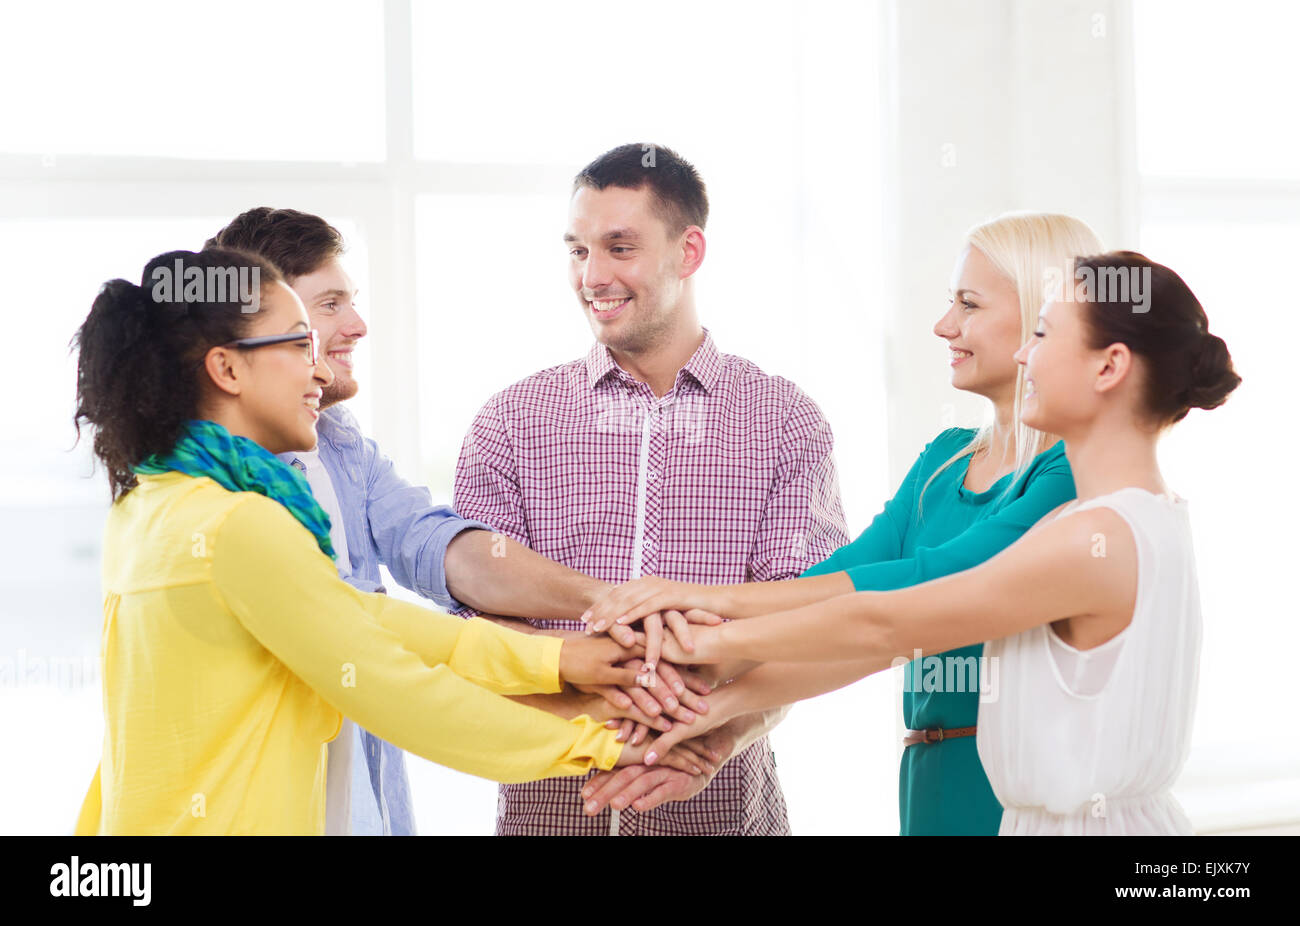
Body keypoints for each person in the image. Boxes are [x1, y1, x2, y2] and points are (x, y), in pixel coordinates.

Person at [593, 251, 1240, 836]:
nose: (1022, 356)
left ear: (1110, 366)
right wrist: (718, 700)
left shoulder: (1091, 537)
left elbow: (888, 621)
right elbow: (880, 607)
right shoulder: (1144, 518)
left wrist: (697, 640)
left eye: (1042, 335)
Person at [70, 248, 709, 835]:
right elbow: (391, 687)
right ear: (227, 368)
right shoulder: (238, 526)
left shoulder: (150, 506)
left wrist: (557, 661)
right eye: (299, 344)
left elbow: (358, 618)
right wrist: (602, 741)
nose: (320, 367)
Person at [453, 143, 851, 835]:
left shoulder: (784, 421)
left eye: (619, 247)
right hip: (551, 816)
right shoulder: (510, 422)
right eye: (577, 251)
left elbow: (805, 627)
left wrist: (717, 732)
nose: (592, 275)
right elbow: (470, 624)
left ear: (688, 251)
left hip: (723, 815)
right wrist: (587, 691)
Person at [204, 209, 640, 835]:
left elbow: (436, 547)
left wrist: (604, 605)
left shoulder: (339, 444)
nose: (356, 326)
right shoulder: (214, 505)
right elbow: (378, 658)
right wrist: (588, 709)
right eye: (326, 308)